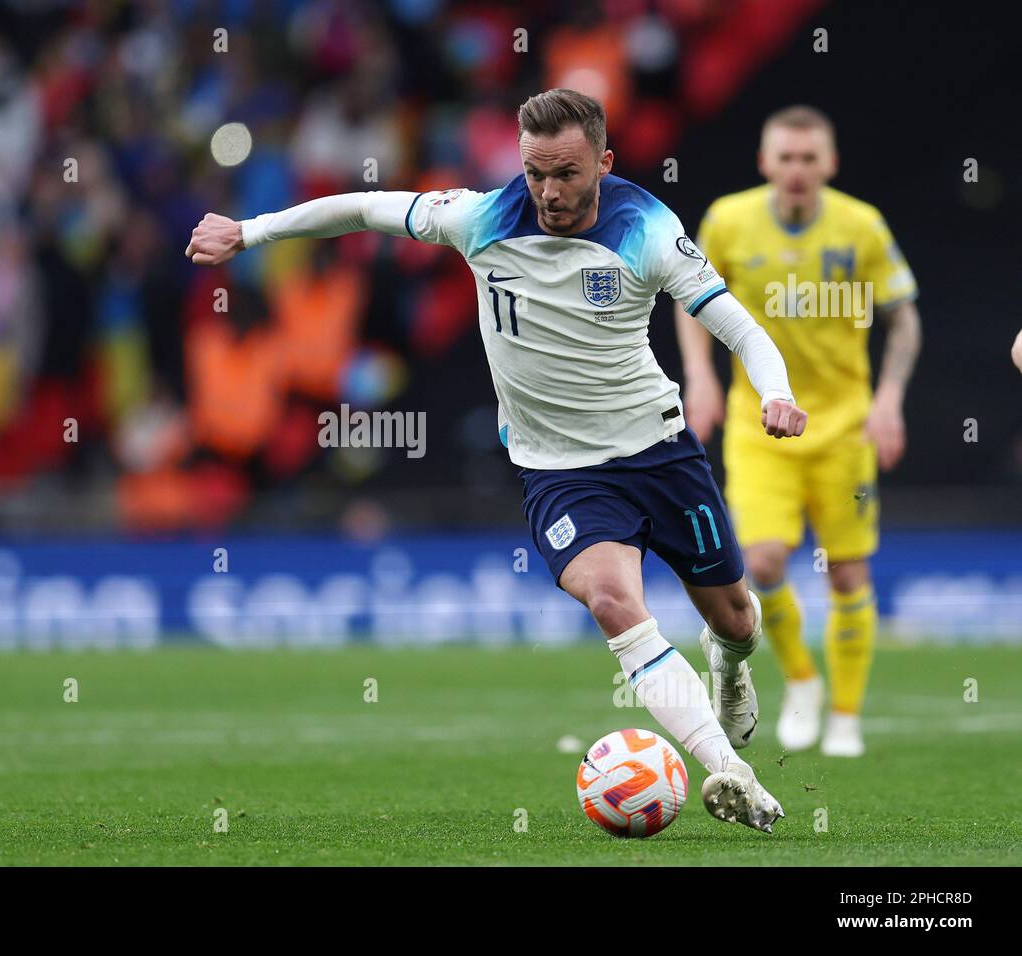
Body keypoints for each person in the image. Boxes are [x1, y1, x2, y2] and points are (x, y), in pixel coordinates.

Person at [187, 88, 807, 833]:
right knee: (614, 602)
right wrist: (248, 232)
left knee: (738, 620)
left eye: (568, 174)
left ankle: (730, 666)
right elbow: (360, 208)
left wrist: (776, 393)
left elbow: (741, 328)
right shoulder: (479, 217)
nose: (548, 191)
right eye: (535, 171)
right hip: (560, 471)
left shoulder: (648, 228)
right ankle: (726, 770)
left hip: (658, 450)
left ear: (604, 163)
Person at [675, 105, 921, 757]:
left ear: (830, 164)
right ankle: (801, 680)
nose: (797, 170)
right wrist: (698, 376)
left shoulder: (861, 226)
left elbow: (904, 318)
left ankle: (844, 716)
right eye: (785, 157)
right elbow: (690, 301)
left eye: (809, 158)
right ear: (764, 162)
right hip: (760, 424)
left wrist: (890, 399)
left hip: (843, 428)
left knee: (847, 573)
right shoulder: (727, 220)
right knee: (759, 561)